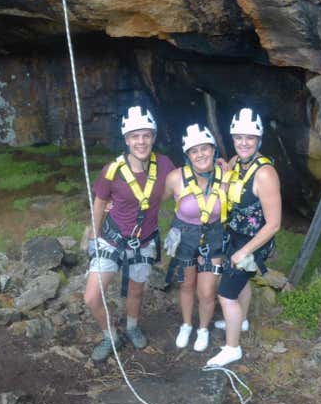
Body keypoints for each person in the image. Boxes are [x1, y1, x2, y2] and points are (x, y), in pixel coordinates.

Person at [84, 105, 175, 362]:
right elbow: (100, 204)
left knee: (136, 291)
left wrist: (222, 167)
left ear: (153, 137)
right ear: (126, 140)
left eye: (146, 135)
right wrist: (92, 235)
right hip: (112, 238)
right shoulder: (112, 170)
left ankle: (133, 327)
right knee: (92, 296)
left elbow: (184, 181)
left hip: (143, 241)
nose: (141, 141)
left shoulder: (165, 165)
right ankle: (110, 335)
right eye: (135, 136)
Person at [207, 107, 281, 367]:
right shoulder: (238, 162)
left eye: (249, 138)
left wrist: (245, 252)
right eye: (239, 137)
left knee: (226, 295)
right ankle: (243, 320)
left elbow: (273, 224)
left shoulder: (265, 174)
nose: (244, 143)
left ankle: (232, 348)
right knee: (242, 285)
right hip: (236, 236)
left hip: (254, 243)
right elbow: (235, 181)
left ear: (259, 139)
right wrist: (222, 166)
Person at [163, 124, 227, 353]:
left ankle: (202, 329)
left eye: (205, 148)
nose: (200, 154)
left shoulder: (226, 176)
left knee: (208, 290)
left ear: (213, 150)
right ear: (187, 155)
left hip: (215, 236)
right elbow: (150, 202)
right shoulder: (175, 178)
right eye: (194, 151)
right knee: (186, 283)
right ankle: (186, 324)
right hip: (184, 235)